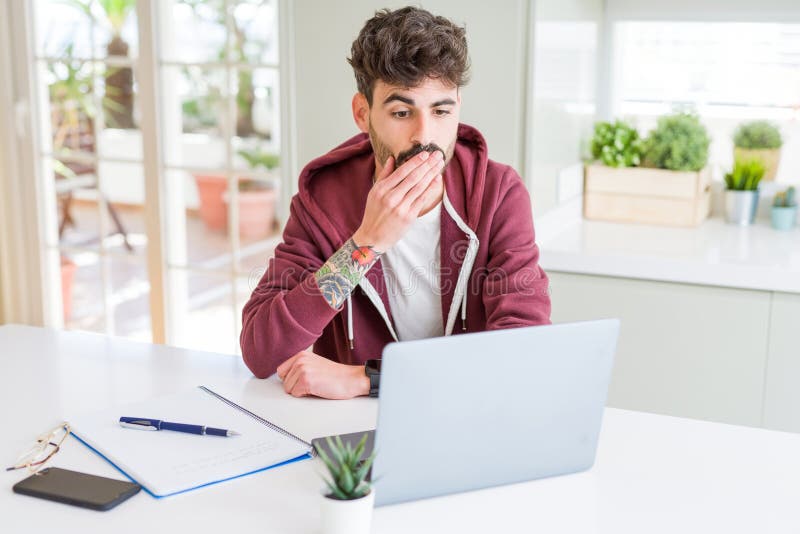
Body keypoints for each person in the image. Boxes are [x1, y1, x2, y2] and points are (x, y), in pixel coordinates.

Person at [240, 6, 551, 399]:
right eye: (402, 112)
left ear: (458, 107)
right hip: (355, 430)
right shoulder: (324, 198)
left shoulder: (498, 194)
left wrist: (367, 379)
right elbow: (260, 350)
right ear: (362, 113)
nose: (426, 135)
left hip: (468, 413)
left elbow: (523, 353)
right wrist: (364, 244)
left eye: (441, 110)